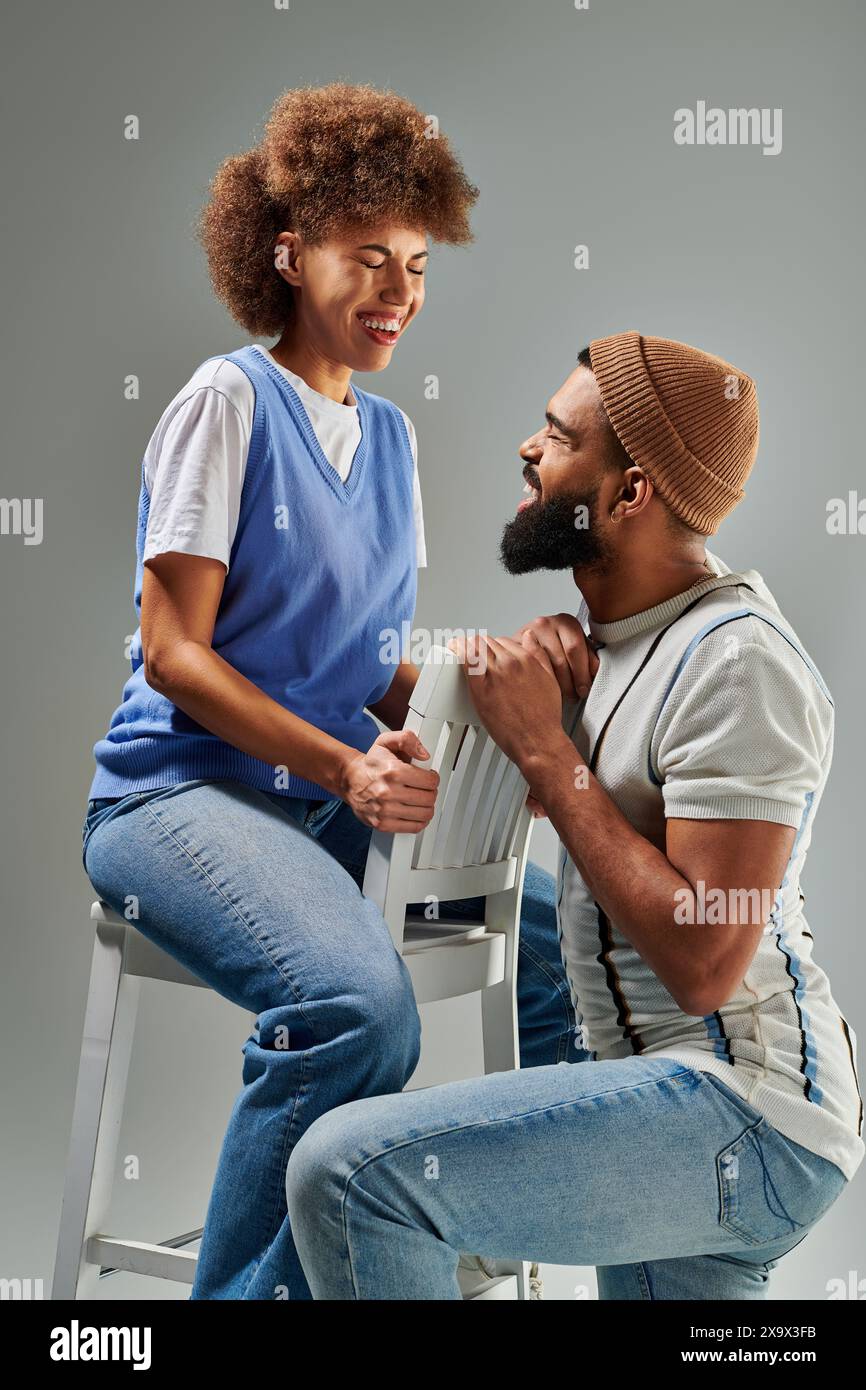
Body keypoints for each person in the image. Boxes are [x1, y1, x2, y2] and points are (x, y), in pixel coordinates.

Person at [80, 82, 585, 1302]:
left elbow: (366, 659)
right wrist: (344, 767)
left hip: (306, 802)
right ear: (291, 250)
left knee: (561, 942)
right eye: (370, 258)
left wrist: (490, 692)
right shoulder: (225, 403)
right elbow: (172, 653)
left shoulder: (395, 443)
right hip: (173, 800)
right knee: (356, 1006)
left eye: (416, 264)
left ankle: (434, 1232)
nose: (398, 292)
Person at [285, 331, 864, 1300]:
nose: (526, 447)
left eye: (557, 437)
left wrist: (550, 755)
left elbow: (701, 961)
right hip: (664, 1108)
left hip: (742, 1118)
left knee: (354, 1175)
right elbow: (439, 713)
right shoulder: (622, 646)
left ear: (628, 493)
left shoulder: (737, 662)